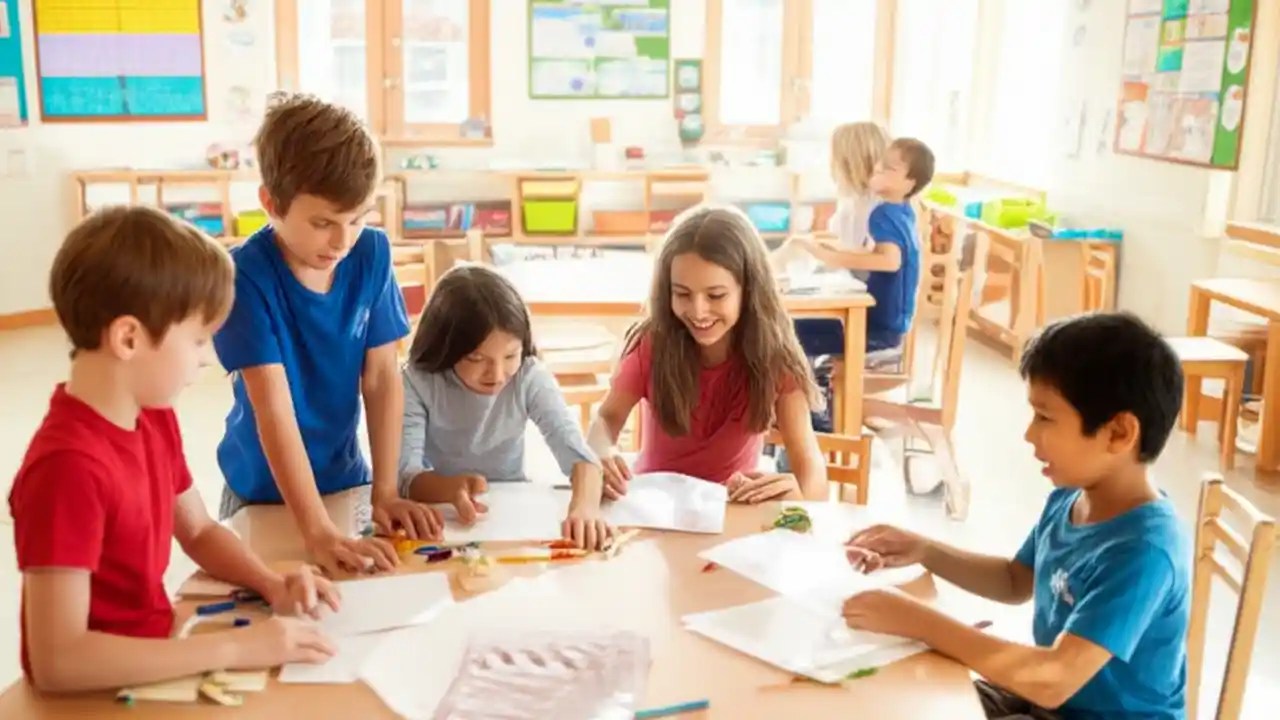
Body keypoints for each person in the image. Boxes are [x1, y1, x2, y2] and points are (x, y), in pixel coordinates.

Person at [10, 206, 340, 693]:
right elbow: (59, 661)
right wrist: (235, 649)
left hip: (155, 659)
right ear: (128, 338)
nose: (207, 358)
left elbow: (201, 530)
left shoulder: (151, 416)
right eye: (199, 339)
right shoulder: (66, 468)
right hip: (95, 693)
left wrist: (271, 583)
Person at [844, 312, 1190, 720]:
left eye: (1045, 417)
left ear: (1118, 433)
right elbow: (1015, 580)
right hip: (1046, 702)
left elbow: (1056, 677)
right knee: (908, 698)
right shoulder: (1071, 497)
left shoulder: (1144, 551)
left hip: (1075, 706)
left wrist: (919, 621)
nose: (1029, 434)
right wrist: (924, 550)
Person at [213, 93, 438, 576]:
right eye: (322, 223)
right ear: (271, 204)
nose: (342, 241)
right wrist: (315, 531)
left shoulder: (371, 255)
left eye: (357, 219)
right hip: (261, 492)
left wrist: (386, 491)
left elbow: (381, 379)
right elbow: (273, 408)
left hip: (342, 482)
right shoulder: (245, 278)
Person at [585, 205, 828, 505]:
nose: (698, 311)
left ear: (749, 291)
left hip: (731, 511)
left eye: (716, 296)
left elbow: (811, 469)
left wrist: (798, 497)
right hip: (655, 508)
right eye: (683, 294)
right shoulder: (653, 343)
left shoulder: (775, 357)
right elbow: (606, 419)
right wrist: (601, 449)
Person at [399, 265, 614, 550]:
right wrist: (449, 489)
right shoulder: (417, 380)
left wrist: (585, 508)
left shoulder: (528, 374)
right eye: (477, 358)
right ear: (444, 348)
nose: (497, 374)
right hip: (442, 518)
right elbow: (406, 475)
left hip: (511, 512)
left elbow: (580, 456)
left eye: (510, 355)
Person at [792, 136, 936, 358]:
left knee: (787, 335)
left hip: (877, 330)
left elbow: (890, 261)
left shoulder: (884, 214)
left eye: (889, 168)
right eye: (880, 163)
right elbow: (878, 253)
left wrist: (833, 258)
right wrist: (833, 249)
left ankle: (810, 389)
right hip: (890, 327)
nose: (878, 168)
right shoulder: (903, 211)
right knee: (793, 330)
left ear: (910, 183)